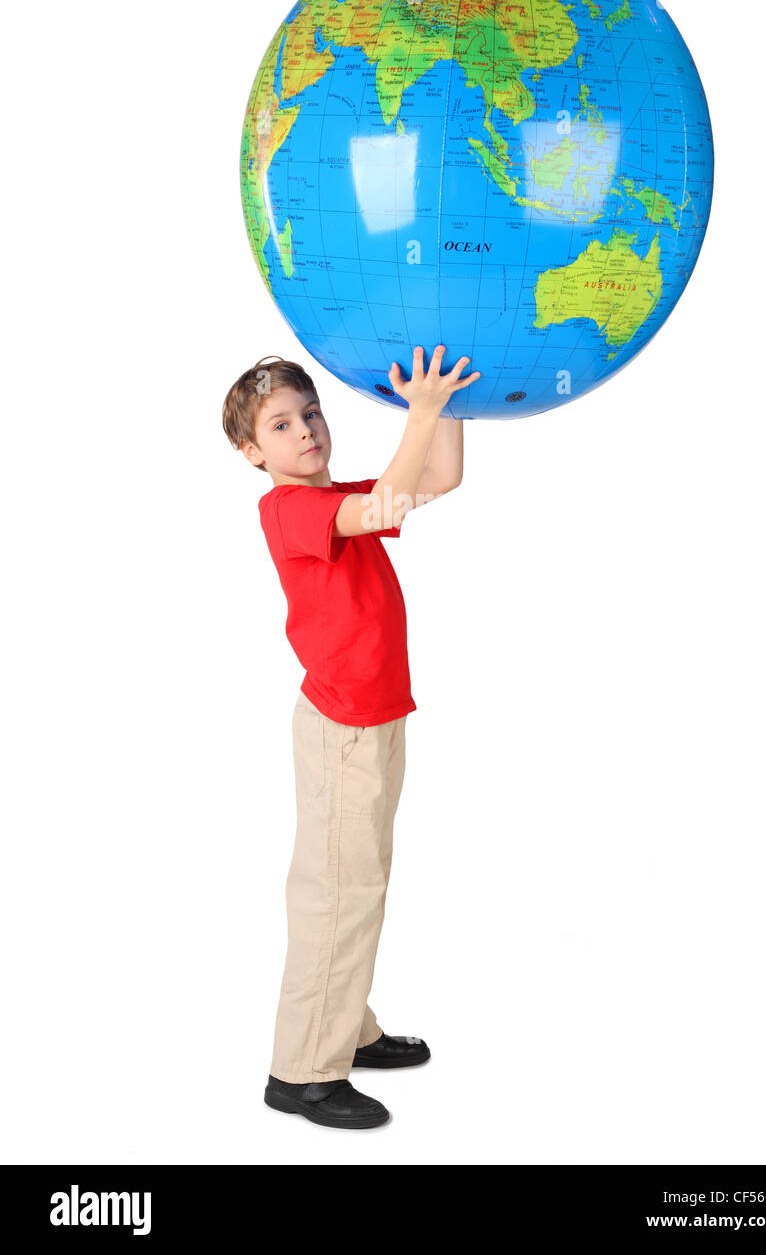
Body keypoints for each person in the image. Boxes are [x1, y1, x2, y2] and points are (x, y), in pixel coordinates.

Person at [221, 344, 480, 1129]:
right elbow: (383, 508)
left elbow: (438, 480)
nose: (305, 430)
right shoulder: (290, 510)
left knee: (357, 885)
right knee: (338, 894)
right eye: (281, 423)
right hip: (344, 733)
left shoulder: (333, 496)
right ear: (251, 451)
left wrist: (451, 407)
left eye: (311, 413)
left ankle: (345, 1031)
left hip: (373, 719)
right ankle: (300, 1072)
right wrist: (421, 411)